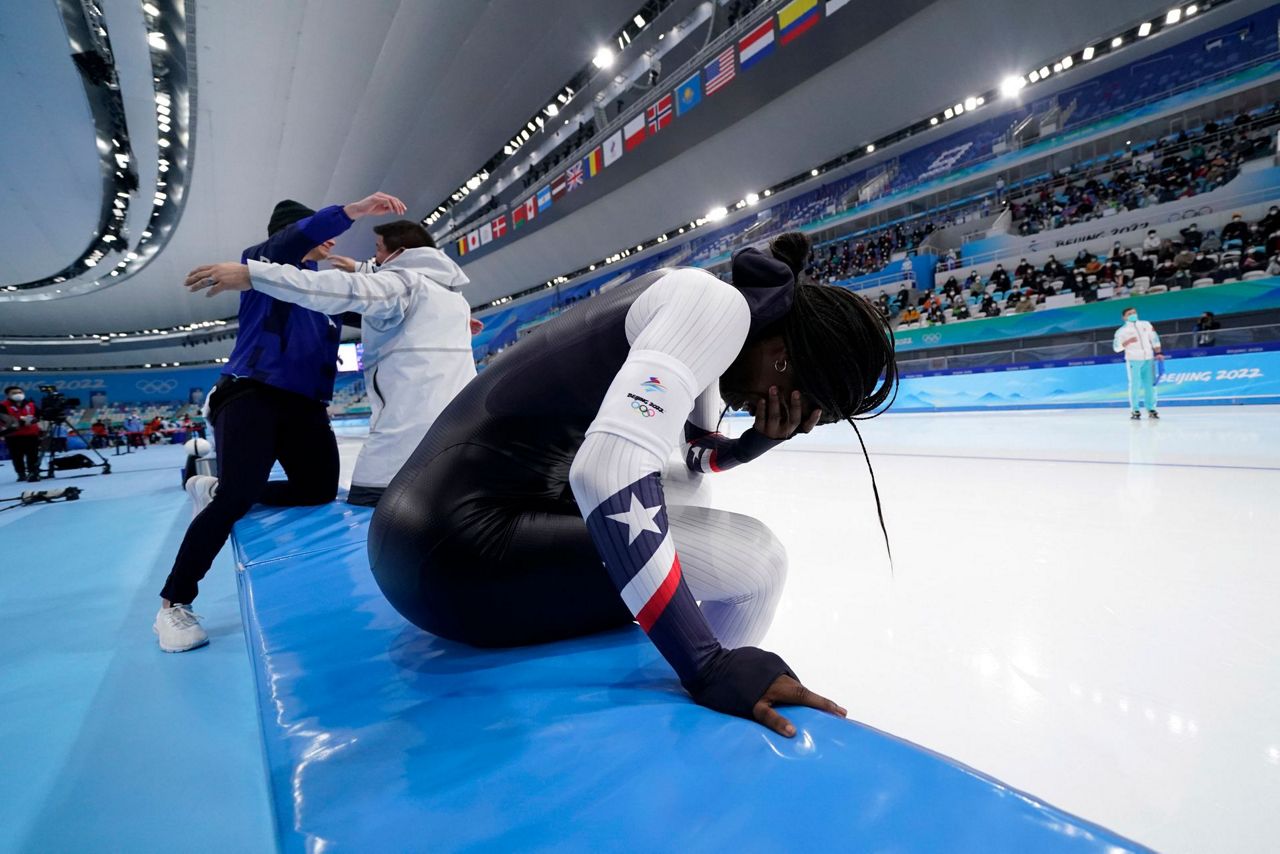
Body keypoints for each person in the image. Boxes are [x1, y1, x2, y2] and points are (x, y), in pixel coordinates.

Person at [368, 232, 897, 737]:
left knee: (685, 490)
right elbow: (606, 470)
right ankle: (706, 715)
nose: (782, 408)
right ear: (785, 355)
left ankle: (675, 646)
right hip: (451, 549)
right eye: (800, 398)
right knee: (757, 563)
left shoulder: (711, 305)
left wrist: (757, 440)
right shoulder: (718, 311)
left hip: (437, 522)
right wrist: (706, 664)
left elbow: (695, 457)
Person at [154, 191, 407, 653]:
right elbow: (302, 236)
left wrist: (442, 317)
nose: (329, 241)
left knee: (316, 490)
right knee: (235, 498)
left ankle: (224, 487)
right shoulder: (265, 268)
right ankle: (174, 604)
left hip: (305, 405)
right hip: (253, 391)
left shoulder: (324, 292)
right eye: (318, 232)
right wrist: (354, 211)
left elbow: (379, 310)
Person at [186, 218, 477, 507]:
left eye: (377, 250)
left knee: (356, 498)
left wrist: (253, 275)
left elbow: (339, 288)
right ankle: (225, 492)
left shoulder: (401, 284)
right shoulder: (452, 299)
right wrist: (362, 269)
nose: (373, 258)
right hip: (458, 438)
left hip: (398, 444)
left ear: (399, 253)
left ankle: (222, 492)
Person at [1113, 306, 1163, 420]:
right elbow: (1116, 348)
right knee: (1135, 385)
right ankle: (1135, 410)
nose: (1133, 314)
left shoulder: (1146, 324)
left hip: (1149, 358)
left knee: (1150, 386)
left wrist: (1159, 352)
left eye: (1134, 312)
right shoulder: (1121, 331)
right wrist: (1127, 342)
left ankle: (1151, 408)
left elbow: (1154, 338)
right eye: (1130, 313)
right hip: (1133, 360)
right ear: (1124, 317)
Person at [2, 386, 41, 483]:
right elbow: (4, 420)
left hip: (31, 434)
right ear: (8, 395)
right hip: (13, 435)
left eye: (19, 392)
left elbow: (38, 415)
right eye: (14, 393)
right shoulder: (3, 406)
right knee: (17, 456)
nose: (17, 394)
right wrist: (22, 422)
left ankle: (33, 472)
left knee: (33, 455)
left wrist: (34, 420)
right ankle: (21, 473)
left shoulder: (31, 404)